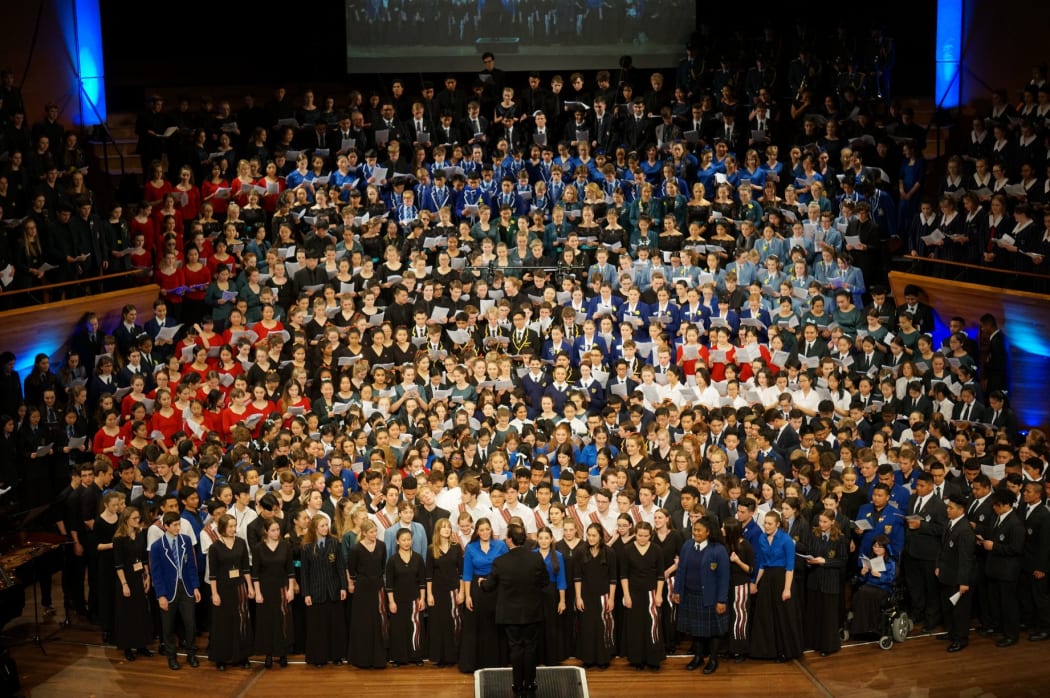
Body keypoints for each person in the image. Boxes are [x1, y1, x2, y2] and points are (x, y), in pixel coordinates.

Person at [480, 522, 549, 698]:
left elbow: (489, 587)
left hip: (510, 615)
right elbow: (545, 582)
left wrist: (481, 582)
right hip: (532, 612)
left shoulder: (500, 562)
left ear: (509, 540)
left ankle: (518, 685)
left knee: (516, 648)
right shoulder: (536, 558)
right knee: (530, 647)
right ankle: (530, 683)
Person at [673, 515, 730, 674]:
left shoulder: (718, 550)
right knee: (695, 630)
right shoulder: (687, 545)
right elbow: (681, 570)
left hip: (710, 598)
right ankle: (698, 657)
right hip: (689, 595)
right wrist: (677, 590)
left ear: (708, 532)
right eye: (694, 530)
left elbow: (724, 577)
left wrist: (721, 600)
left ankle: (713, 659)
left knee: (713, 631)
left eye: (699, 530)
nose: (695, 533)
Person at [149, 511, 201, 671]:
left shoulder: (185, 540)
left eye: (179, 524)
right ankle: (171, 657)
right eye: (175, 525)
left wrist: (195, 586)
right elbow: (156, 573)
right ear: (166, 526)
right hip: (168, 590)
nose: (178, 527)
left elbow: (191, 566)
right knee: (168, 627)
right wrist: (161, 595)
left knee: (190, 624)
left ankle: (191, 654)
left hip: (186, 588)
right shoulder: (157, 546)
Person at [749, 510, 804, 661]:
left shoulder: (786, 540)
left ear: (778, 524)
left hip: (782, 579)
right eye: (765, 523)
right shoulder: (762, 538)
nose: (766, 526)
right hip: (767, 579)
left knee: (782, 616)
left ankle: (784, 651)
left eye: (769, 524)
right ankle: (766, 651)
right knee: (765, 614)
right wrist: (755, 583)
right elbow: (762, 563)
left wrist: (787, 589)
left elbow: (790, 567)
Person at [459, 517, 508, 673]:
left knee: (495, 625)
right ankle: (476, 663)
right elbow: (467, 574)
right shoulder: (470, 547)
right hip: (477, 590)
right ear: (477, 532)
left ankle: (497, 662)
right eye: (482, 530)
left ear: (491, 530)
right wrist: (468, 596)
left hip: (497, 589)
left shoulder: (501, 545)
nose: (485, 532)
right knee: (477, 626)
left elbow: (508, 568)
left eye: (487, 529)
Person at [300, 513, 348, 667]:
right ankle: (319, 657)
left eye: (326, 525)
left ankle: (336, 656)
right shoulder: (307, 547)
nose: (325, 528)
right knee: (318, 627)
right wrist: (306, 593)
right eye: (322, 526)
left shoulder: (334, 543)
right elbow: (304, 573)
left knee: (335, 625)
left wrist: (343, 587)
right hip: (316, 592)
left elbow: (340, 567)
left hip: (333, 590)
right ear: (315, 528)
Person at [206, 513, 253, 670]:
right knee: (223, 623)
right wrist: (214, 593)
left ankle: (242, 656)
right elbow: (213, 574)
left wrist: (250, 587)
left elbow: (245, 568)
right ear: (222, 528)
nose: (234, 529)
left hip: (239, 588)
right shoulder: (215, 548)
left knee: (242, 620)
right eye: (231, 526)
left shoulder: (241, 543)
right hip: (223, 589)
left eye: (235, 525)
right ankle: (222, 658)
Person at [980, 488, 1024, 647]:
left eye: (996, 505)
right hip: (994, 569)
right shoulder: (996, 518)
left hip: (1007, 571)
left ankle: (1011, 635)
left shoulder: (1015, 524)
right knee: (996, 601)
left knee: (1008, 605)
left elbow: (1016, 549)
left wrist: (994, 546)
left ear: (1006, 505)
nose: (994, 507)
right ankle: (999, 627)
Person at [620, 520, 665, 670]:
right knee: (635, 626)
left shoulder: (657, 550)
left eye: (646, 536)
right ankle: (637, 659)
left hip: (652, 593)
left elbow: (660, 575)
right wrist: (626, 595)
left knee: (653, 625)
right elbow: (624, 575)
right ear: (635, 534)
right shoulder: (627, 550)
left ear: (650, 535)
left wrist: (659, 595)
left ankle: (653, 659)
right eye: (640, 535)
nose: (642, 538)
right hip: (633, 593)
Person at [803, 510, 848, 656]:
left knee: (828, 616)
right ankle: (813, 643)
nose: (821, 524)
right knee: (814, 613)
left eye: (825, 522)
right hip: (814, 580)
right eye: (820, 521)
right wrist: (809, 561)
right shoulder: (813, 534)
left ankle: (828, 646)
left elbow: (842, 561)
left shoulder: (840, 538)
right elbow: (809, 551)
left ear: (832, 522)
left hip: (830, 582)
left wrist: (825, 561)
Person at [935, 494, 976, 653]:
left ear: (961, 510)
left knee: (960, 611)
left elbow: (966, 559)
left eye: (951, 508)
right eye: (948, 507)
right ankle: (952, 632)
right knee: (948, 608)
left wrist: (963, 582)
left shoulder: (965, 530)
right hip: (946, 574)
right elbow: (942, 547)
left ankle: (961, 639)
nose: (947, 510)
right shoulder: (950, 523)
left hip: (958, 577)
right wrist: (938, 565)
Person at [251, 518, 294, 668]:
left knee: (283, 620)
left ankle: (283, 653)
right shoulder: (258, 548)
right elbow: (255, 573)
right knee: (267, 621)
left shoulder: (285, 546)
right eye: (273, 530)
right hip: (265, 589)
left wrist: (290, 589)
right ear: (266, 531)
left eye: (278, 530)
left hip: (282, 588)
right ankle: (268, 654)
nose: (276, 533)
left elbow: (290, 570)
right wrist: (257, 592)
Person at [112, 506, 153, 661]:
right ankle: (128, 647)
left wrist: (147, 576)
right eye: (134, 518)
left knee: (141, 611)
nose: (138, 520)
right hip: (127, 578)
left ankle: (142, 645)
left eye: (138, 518)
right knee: (127, 613)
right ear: (126, 520)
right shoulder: (119, 539)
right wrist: (124, 584)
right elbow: (118, 564)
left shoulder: (140, 534)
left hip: (139, 576)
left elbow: (143, 558)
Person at [574, 523, 617, 669]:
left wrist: (611, 598)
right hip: (586, 596)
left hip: (603, 596)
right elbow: (577, 577)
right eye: (589, 535)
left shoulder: (609, 552)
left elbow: (613, 578)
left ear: (600, 536)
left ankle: (603, 659)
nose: (591, 538)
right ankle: (588, 659)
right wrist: (578, 597)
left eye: (594, 535)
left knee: (603, 627)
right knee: (587, 628)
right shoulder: (580, 552)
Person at [347, 519, 388, 668]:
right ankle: (362, 659)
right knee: (363, 622)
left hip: (378, 587)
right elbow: (352, 570)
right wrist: (353, 583)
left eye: (375, 531)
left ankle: (378, 658)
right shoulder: (356, 549)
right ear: (364, 533)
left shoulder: (381, 546)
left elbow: (382, 566)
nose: (374, 534)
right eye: (371, 532)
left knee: (378, 621)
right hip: (362, 590)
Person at [385, 528, 426, 666]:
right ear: (397, 541)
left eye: (409, 539)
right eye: (403, 540)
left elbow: (422, 581)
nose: (407, 542)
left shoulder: (418, 558)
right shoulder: (392, 560)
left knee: (415, 628)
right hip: (398, 600)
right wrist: (391, 602)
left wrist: (422, 598)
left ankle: (416, 656)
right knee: (398, 629)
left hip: (415, 599)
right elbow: (389, 584)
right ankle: (399, 658)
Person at [425, 518, 463, 667]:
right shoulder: (431, 549)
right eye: (443, 527)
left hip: (453, 590)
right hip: (437, 591)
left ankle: (453, 656)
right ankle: (440, 657)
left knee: (453, 622)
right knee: (438, 624)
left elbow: (461, 572)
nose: (447, 529)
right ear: (438, 530)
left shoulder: (456, 547)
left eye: (449, 527)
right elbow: (428, 574)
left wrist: (461, 592)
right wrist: (429, 594)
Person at [849, 534, 896, 637]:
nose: (876, 549)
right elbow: (863, 580)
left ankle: (873, 628)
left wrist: (880, 575)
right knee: (859, 594)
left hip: (883, 588)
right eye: (875, 546)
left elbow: (891, 579)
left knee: (868, 594)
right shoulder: (870, 560)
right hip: (869, 586)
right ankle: (860, 628)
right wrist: (863, 573)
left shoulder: (890, 562)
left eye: (879, 547)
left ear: (885, 548)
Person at [722, 517, 755, 662]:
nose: (722, 530)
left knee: (740, 616)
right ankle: (729, 648)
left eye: (724, 528)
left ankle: (741, 649)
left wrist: (737, 561)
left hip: (740, 585)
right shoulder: (725, 544)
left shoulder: (746, 546)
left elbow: (751, 569)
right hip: (727, 585)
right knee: (729, 616)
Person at [534, 526, 567, 665]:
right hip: (535, 594)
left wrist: (562, 601)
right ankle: (537, 658)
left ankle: (551, 658)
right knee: (536, 626)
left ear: (551, 539)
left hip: (552, 594)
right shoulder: (532, 555)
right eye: (541, 538)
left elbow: (561, 580)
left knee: (551, 626)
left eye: (546, 538)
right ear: (537, 539)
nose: (543, 541)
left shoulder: (558, 556)